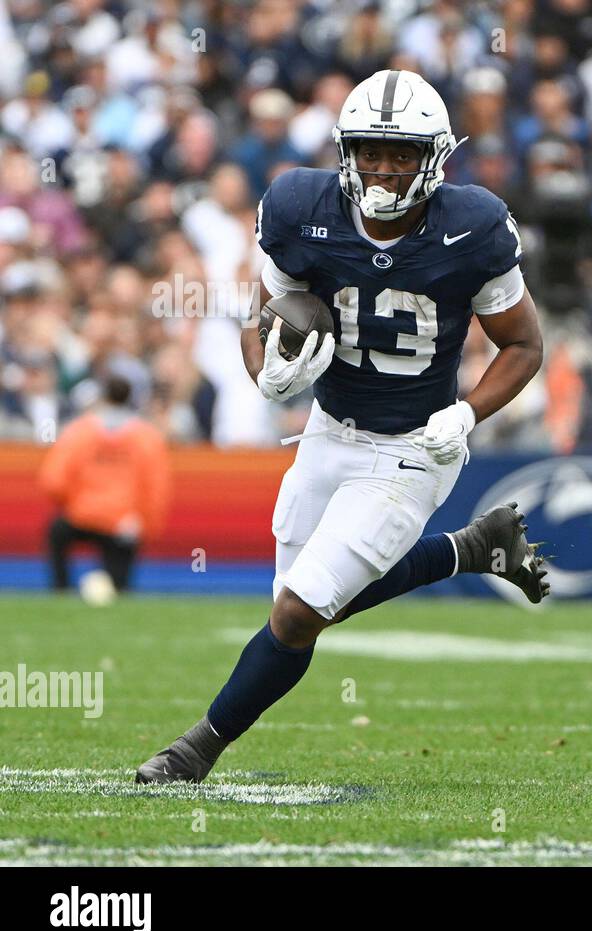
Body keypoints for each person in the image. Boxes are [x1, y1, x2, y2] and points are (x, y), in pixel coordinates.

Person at [136, 70, 550, 785]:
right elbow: (264, 317)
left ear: (436, 157)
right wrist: (264, 371)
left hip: (415, 447)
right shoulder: (300, 207)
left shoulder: (472, 226)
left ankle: (192, 752)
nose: (384, 168)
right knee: (294, 611)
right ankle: (473, 549)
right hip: (329, 429)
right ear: (345, 150)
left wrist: (467, 412)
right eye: (369, 151)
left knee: (298, 614)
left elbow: (525, 344)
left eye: (401, 154)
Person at [38, 374, 170, 593]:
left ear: (103, 397)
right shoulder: (147, 437)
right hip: (124, 522)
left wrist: (73, 503)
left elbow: (53, 479)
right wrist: (144, 523)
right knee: (119, 588)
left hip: (82, 514)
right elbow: (156, 488)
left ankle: (60, 589)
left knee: (56, 533)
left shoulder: (79, 431)